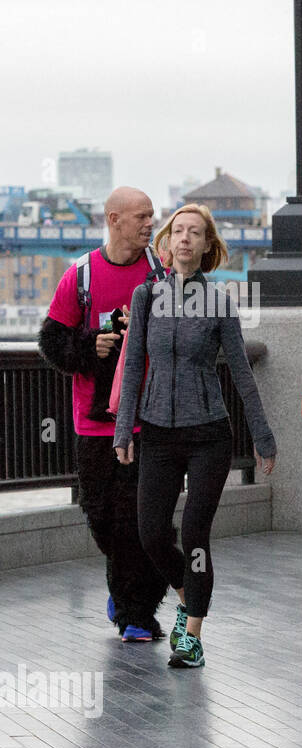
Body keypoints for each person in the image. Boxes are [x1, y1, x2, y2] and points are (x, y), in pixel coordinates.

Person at [112, 204, 276, 667]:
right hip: (158, 433)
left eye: (195, 233)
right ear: (166, 242)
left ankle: (193, 635)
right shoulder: (146, 297)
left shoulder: (220, 301)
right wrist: (124, 428)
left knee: (196, 532)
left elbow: (243, 372)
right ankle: (189, 597)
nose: (185, 239)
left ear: (207, 246)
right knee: (151, 534)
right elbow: (134, 367)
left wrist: (263, 436)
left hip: (209, 434)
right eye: (178, 231)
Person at [38, 186, 171, 642]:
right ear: (114, 220)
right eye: (141, 216)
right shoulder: (80, 277)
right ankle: (125, 589)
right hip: (94, 422)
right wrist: (87, 347)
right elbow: (51, 342)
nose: (150, 224)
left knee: (142, 519)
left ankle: (137, 613)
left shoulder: (161, 274)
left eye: (153, 216)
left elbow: (184, 339)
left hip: (149, 419)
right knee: (101, 516)